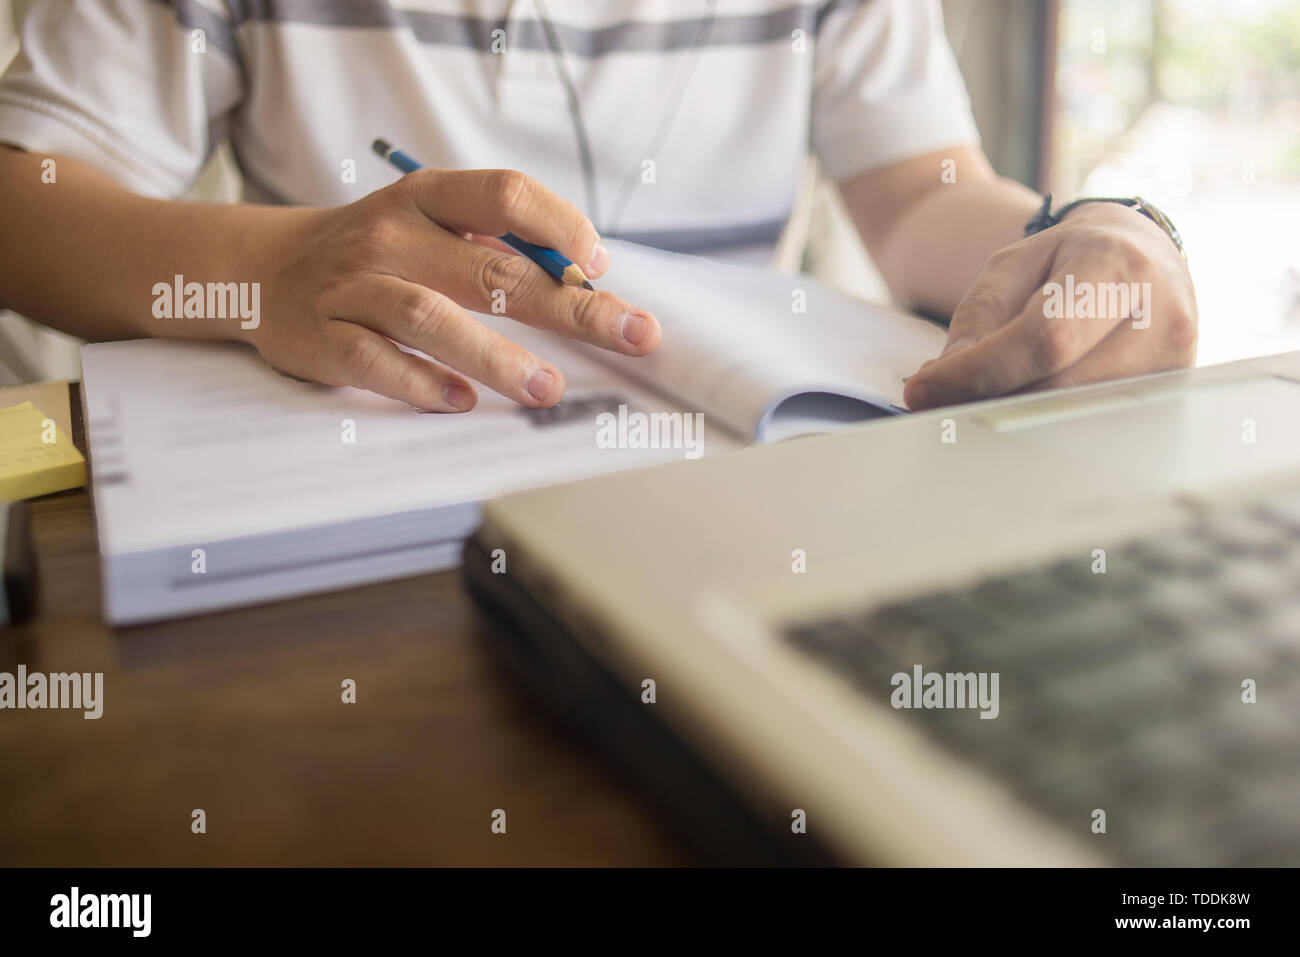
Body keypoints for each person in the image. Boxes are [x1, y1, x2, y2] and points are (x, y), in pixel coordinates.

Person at [0, 0, 1196, 413]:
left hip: (721, 499)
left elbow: (921, 198)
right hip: (355, 484)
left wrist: (1094, 232)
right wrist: (275, 270)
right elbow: (25, 201)